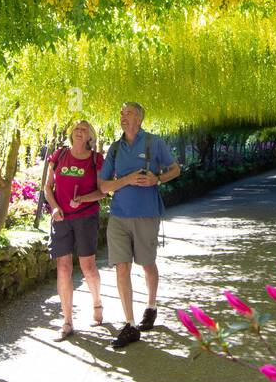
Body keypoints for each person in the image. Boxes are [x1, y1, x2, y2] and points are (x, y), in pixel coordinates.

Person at [98, 101, 179, 348]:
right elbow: (103, 186)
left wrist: (158, 178)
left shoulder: (154, 143)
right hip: (119, 216)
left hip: (147, 214)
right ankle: (130, 325)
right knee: (121, 268)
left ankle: (151, 306)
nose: (123, 117)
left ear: (140, 119)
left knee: (146, 264)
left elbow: (175, 169)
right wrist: (127, 179)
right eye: (121, 113)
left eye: (129, 113)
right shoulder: (114, 149)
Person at [43, 120, 105, 340]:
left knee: (88, 266)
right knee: (63, 267)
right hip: (61, 218)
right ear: (71, 134)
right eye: (77, 129)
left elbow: (102, 192)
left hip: (86, 217)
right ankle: (67, 321)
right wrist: (55, 208)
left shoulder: (96, 160)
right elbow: (47, 187)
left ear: (90, 136)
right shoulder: (59, 155)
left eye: (84, 129)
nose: (80, 132)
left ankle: (97, 302)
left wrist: (84, 199)